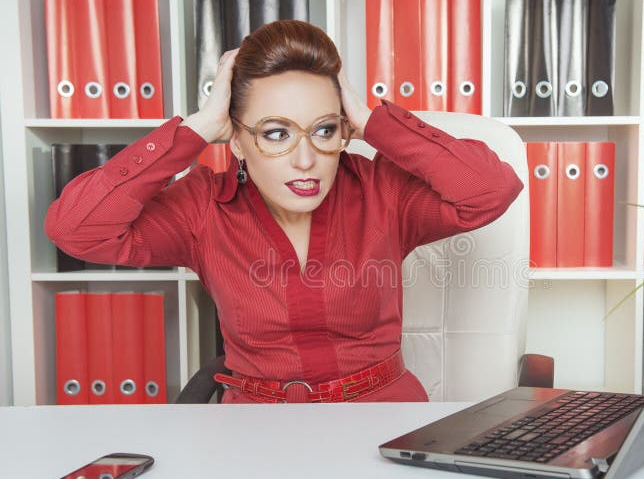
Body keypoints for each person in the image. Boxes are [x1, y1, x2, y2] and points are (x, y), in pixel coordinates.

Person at [45, 20, 524, 403]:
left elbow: (492, 190)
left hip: (381, 419)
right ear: (235, 138)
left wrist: (372, 121)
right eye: (275, 133)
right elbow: (76, 230)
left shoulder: (383, 191)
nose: (304, 159)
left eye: (323, 130)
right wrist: (194, 130)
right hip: (255, 434)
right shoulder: (202, 208)